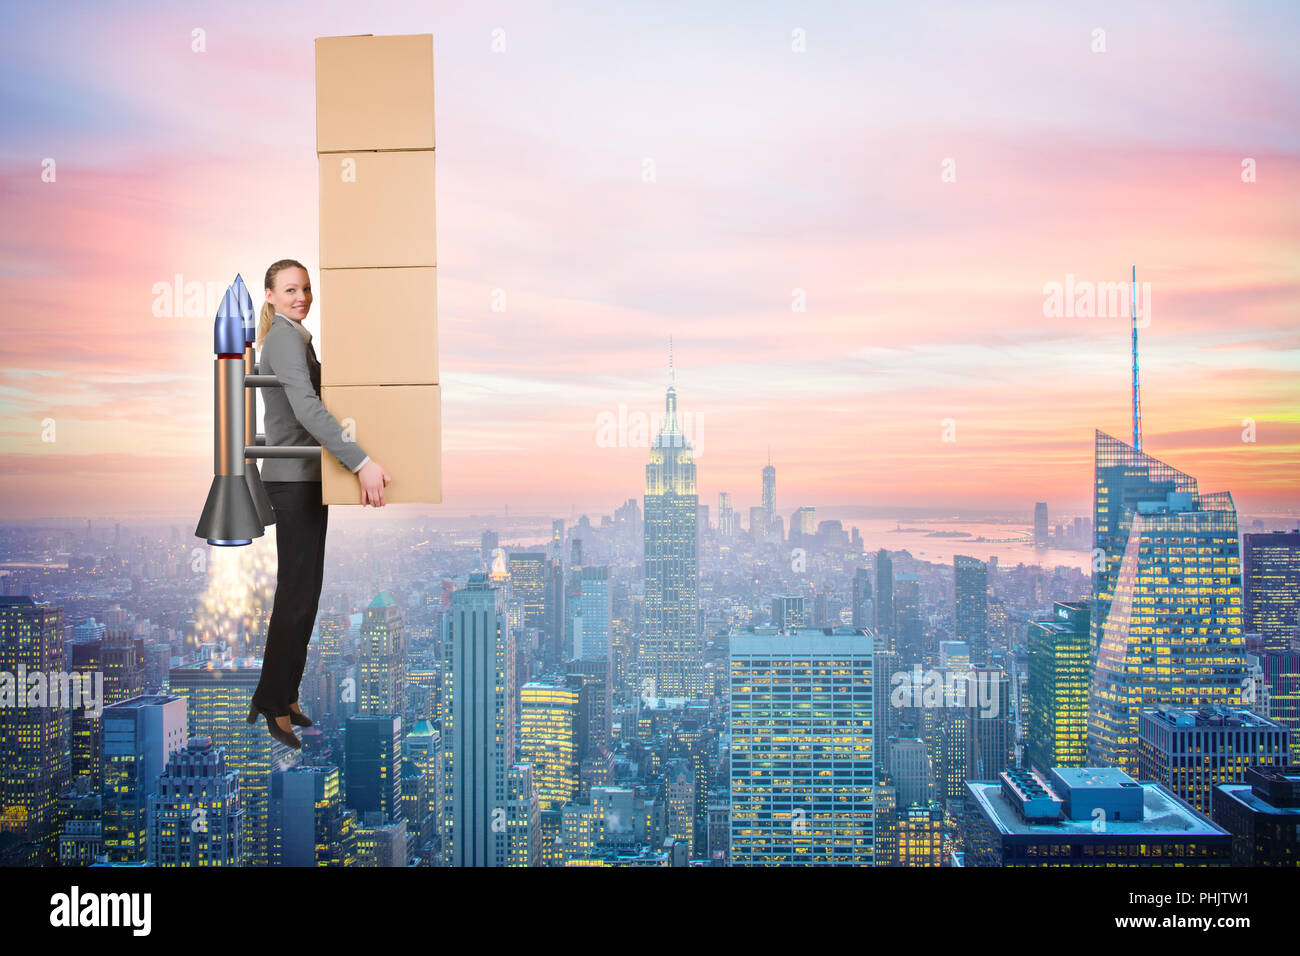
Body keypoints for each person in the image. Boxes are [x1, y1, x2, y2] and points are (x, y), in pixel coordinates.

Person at [246, 259, 391, 749]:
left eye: (306, 288)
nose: (301, 297)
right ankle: (269, 701)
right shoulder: (285, 339)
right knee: (295, 594)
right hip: (293, 479)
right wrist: (361, 462)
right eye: (289, 289)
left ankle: (285, 694)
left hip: (307, 478)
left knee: (305, 594)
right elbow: (309, 408)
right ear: (269, 295)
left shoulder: (296, 338)